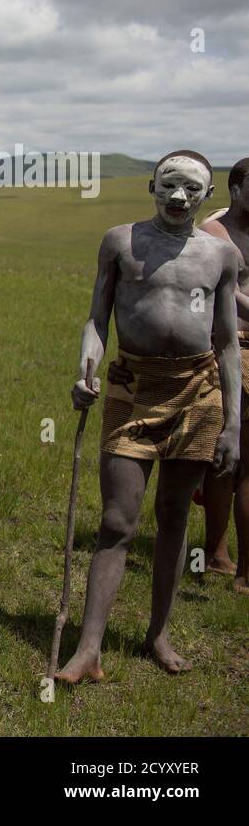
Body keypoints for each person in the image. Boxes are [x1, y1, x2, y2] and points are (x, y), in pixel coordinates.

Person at [57, 150, 240, 683]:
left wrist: (231, 421)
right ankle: (88, 648)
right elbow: (97, 318)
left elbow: (227, 342)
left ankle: (157, 633)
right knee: (117, 521)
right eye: (169, 185)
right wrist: (86, 371)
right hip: (130, 388)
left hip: (197, 391)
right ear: (151, 186)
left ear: (208, 196)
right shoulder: (120, 242)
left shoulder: (219, 257)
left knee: (174, 515)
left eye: (191, 189)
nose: (179, 197)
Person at [190, 156, 249, 595]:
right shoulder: (216, 234)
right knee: (228, 457)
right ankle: (216, 550)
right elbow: (224, 295)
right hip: (231, 349)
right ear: (234, 188)